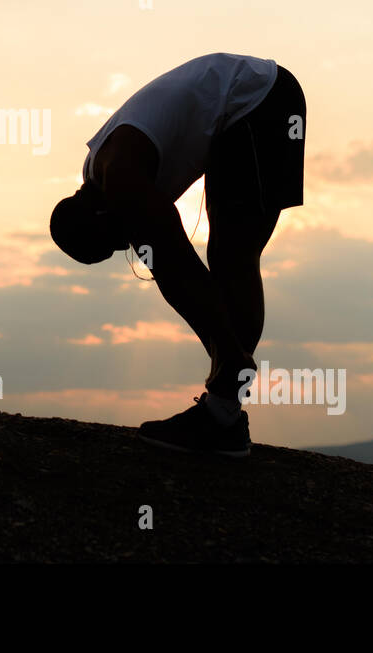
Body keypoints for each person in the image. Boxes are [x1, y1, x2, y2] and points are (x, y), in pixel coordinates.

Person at [50, 53, 306, 456]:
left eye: (115, 240)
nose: (125, 243)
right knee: (229, 257)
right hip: (261, 100)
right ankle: (224, 412)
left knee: (231, 257)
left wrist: (224, 348)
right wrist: (223, 346)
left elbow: (174, 262)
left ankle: (223, 414)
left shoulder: (119, 176)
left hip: (257, 100)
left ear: (97, 212)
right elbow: (170, 266)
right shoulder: (108, 171)